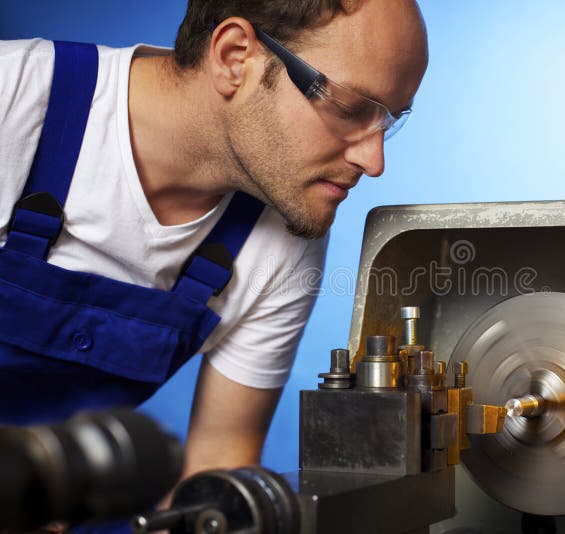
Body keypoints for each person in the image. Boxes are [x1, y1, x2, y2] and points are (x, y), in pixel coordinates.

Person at [0, 0, 428, 491]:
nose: (374, 162)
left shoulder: (283, 238)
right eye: (351, 109)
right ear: (234, 57)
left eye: (388, 122)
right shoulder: (12, 101)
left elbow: (216, 471)